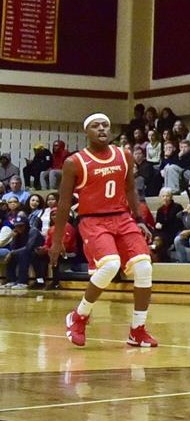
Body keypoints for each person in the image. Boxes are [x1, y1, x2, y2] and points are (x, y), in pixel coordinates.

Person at [49, 113, 159, 348]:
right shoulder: (74, 162)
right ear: (86, 132)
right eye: (96, 126)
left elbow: (130, 188)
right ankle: (78, 316)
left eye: (106, 125)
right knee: (110, 265)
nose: (102, 129)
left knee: (144, 267)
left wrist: (139, 219)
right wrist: (56, 242)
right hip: (93, 220)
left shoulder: (124, 155)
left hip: (122, 217)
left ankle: (137, 330)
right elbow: (64, 204)